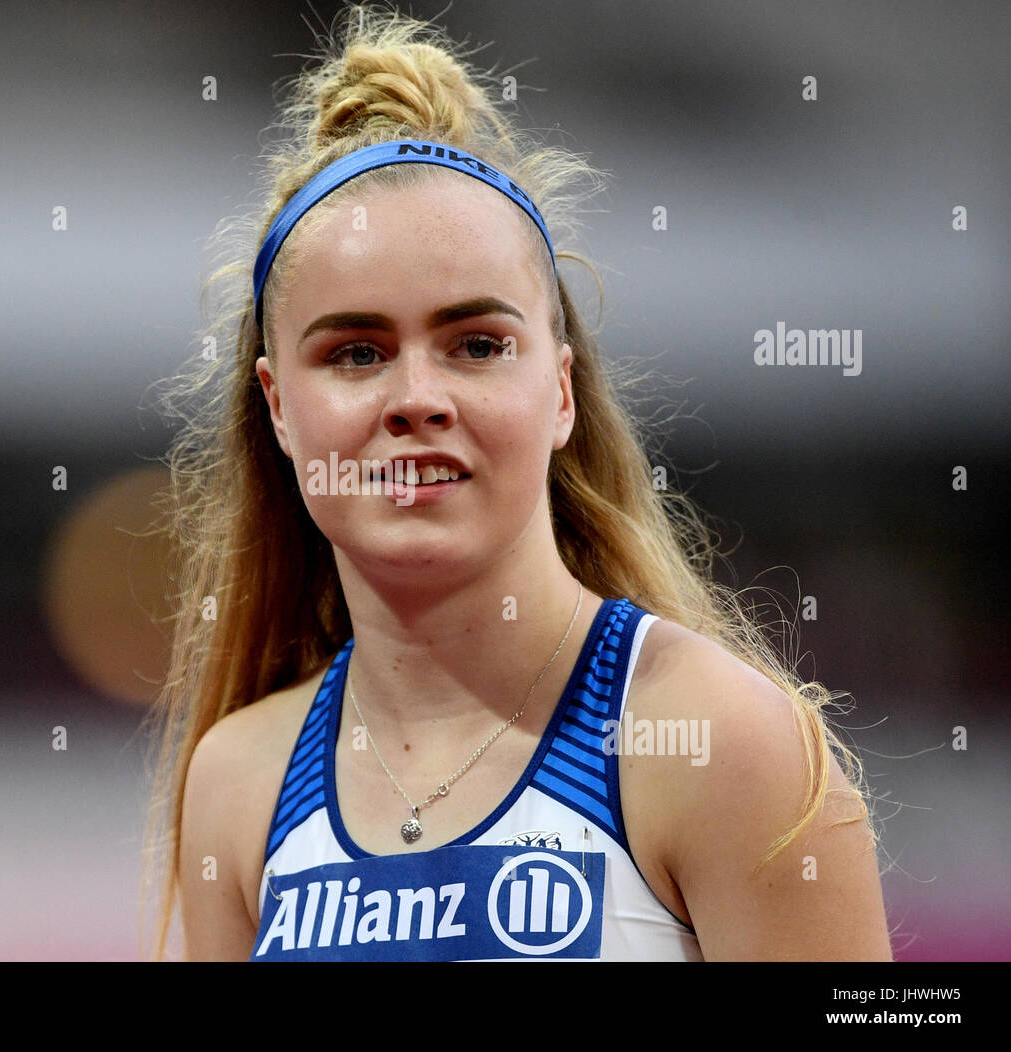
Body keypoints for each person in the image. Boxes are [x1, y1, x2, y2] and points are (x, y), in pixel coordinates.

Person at [143, 4, 891, 961]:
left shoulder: (717, 743)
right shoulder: (239, 780)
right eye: (358, 351)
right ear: (280, 407)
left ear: (563, 391)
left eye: (478, 345)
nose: (417, 398)